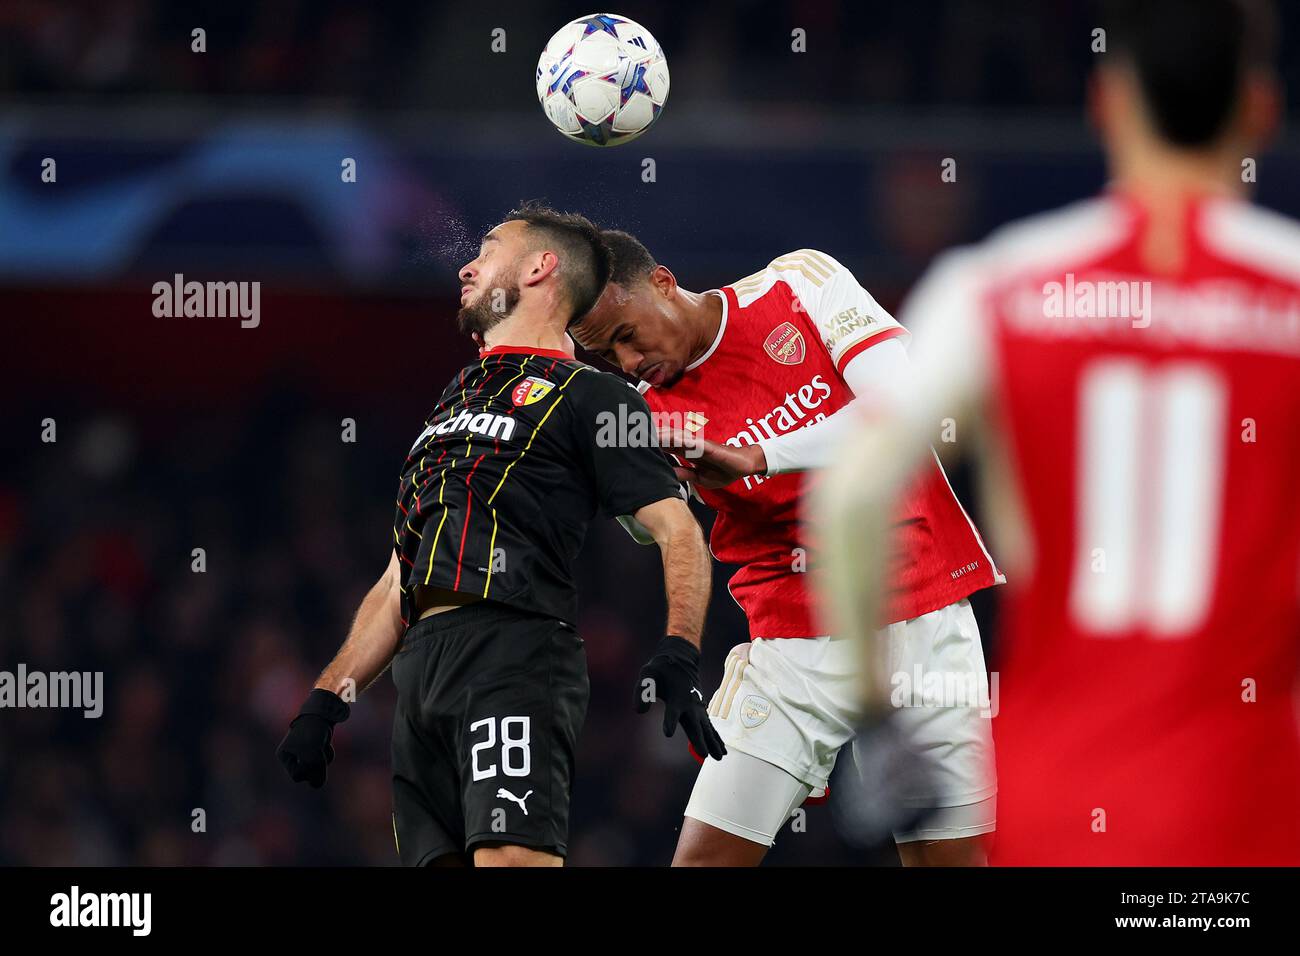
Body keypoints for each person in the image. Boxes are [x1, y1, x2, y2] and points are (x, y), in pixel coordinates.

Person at [815, 0, 1299, 864]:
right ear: (1260, 109)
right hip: (1252, 810)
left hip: (1059, 808)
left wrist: (878, 712)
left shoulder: (1003, 288)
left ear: (1105, 102)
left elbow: (850, 494)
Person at [277, 204, 724, 867]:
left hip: (512, 655)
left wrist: (680, 649)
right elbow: (403, 572)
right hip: (420, 674)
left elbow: (677, 528)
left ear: (541, 267)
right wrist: (327, 696)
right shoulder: (454, 395)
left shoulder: (597, 398)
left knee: (514, 862)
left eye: (486, 252)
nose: (466, 264)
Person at [571, 232, 1002, 866]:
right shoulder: (646, 414)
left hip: (924, 611)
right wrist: (636, 477)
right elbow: (651, 528)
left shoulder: (798, 283)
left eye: (628, 335)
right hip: (793, 645)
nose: (629, 361)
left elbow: (898, 409)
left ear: (662, 282)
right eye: (608, 356)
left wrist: (759, 456)